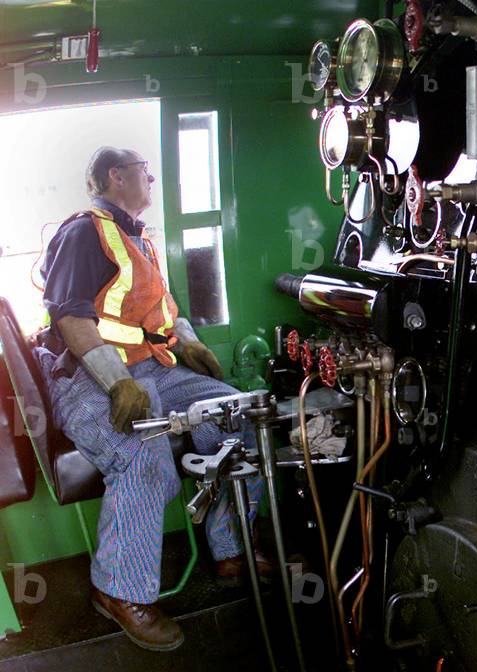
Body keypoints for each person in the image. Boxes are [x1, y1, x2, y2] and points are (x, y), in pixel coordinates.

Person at [33, 146, 269, 651]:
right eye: (146, 173)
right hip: (88, 377)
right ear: (116, 177)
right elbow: (70, 317)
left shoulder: (138, 238)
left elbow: (157, 313)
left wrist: (187, 341)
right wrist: (117, 381)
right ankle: (117, 590)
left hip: (154, 369)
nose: (153, 181)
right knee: (142, 455)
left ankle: (232, 549)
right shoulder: (84, 231)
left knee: (240, 417)